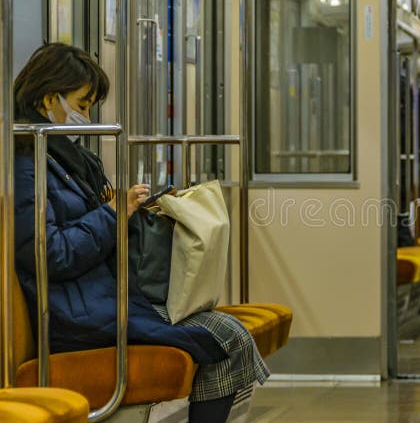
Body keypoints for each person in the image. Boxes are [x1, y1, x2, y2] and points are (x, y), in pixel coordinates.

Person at [12, 43, 267, 423]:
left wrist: (135, 210)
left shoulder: (66, 159)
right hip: (77, 316)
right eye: (81, 105)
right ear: (49, 98)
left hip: (103, 298)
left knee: (229, 334)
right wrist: (114, 214)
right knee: (225, 341)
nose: (86, 116)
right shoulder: (26, 165)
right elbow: (51, 255)